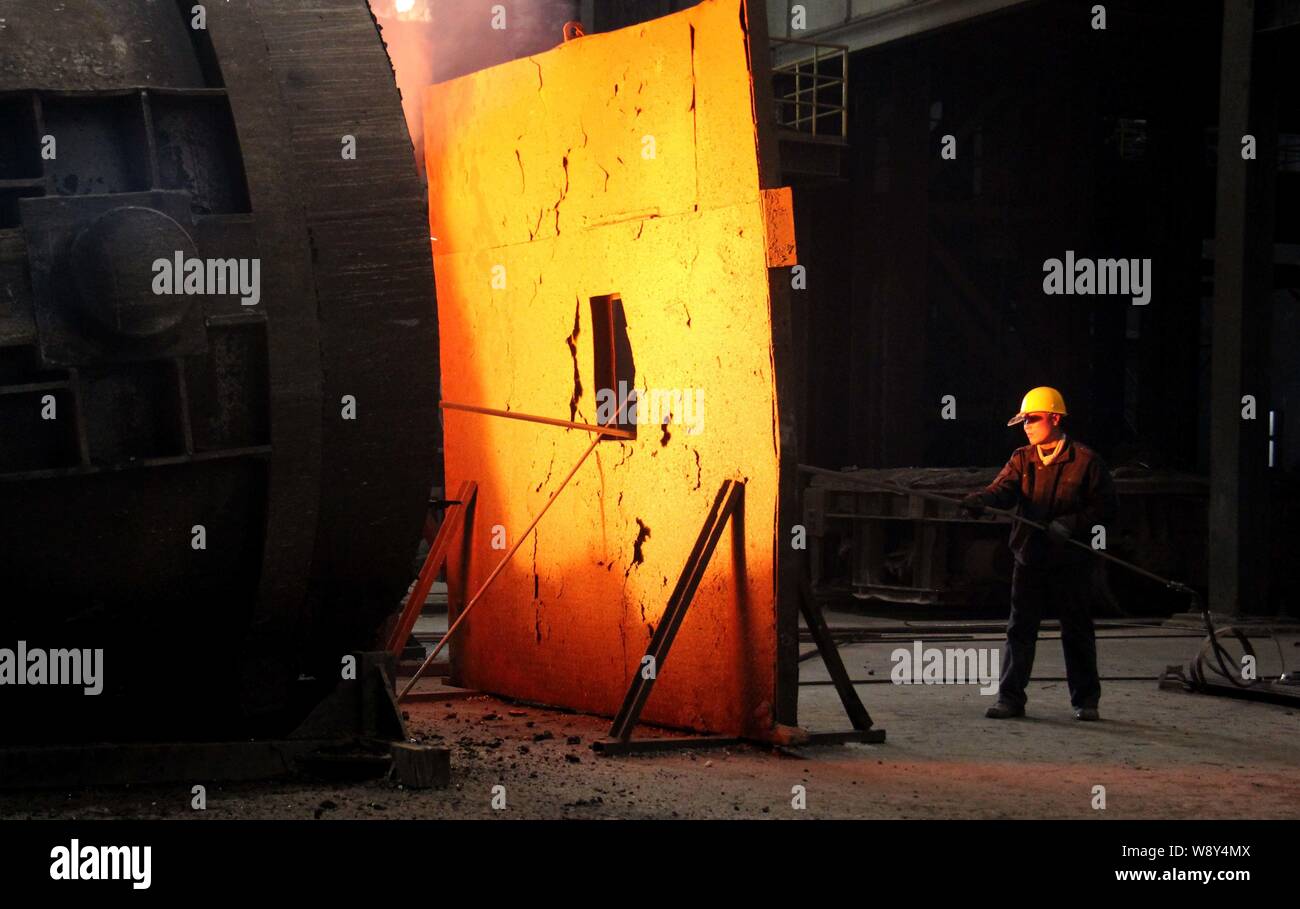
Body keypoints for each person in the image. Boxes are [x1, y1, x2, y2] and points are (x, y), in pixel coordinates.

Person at [961, 387, 1117, 721]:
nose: (1027, 426)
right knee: (1020, 629)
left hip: (1071, 562)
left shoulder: (1086, 461)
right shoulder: (1022, 458)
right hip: (1029, 557)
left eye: (1033, 419)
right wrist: (980, 500)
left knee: (1076, 628)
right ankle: (1010, 699)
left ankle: (1086, 702)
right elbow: (1003, 490)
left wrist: (1072, 523)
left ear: (1055, 418)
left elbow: (1106, 508)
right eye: (1024, 421)